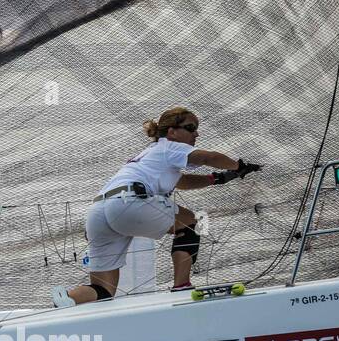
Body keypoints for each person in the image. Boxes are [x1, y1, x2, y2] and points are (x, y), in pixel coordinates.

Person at [54, 107, 262, 307]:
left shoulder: (151, 154)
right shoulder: (170, 146)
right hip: (129, 203)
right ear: (171, 132)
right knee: (190, 222)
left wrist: (216, 179)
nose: (196, 133)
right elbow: (210, 157)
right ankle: (182, 287)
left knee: (103, 290)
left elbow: (182, 182)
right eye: (190, 128)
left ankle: (68, 297)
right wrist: (238, 166)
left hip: (99, 211)